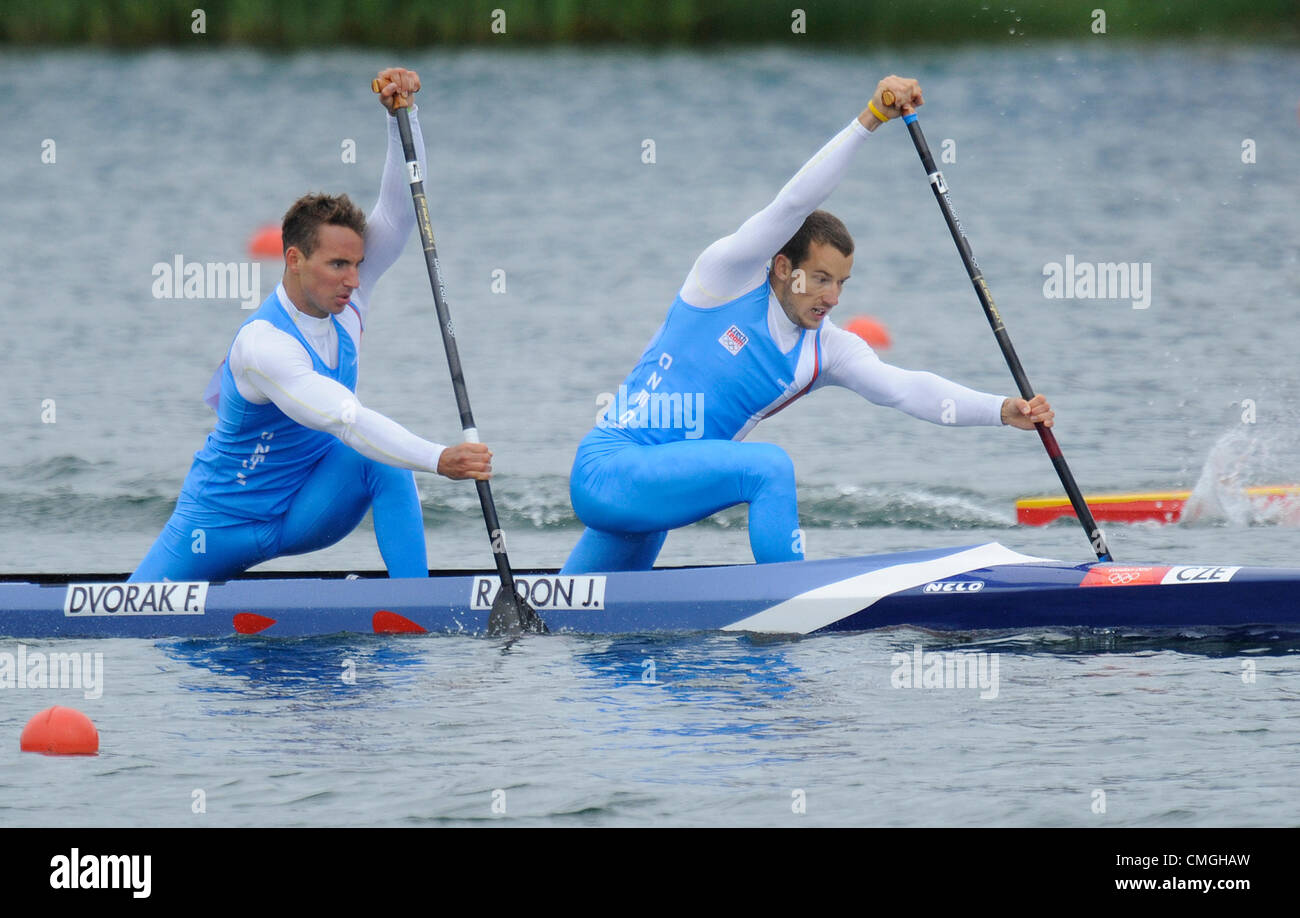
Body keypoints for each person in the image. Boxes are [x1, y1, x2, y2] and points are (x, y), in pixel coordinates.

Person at [561, 75, 1053, 574]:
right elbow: (792, 204)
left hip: (651, 504)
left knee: (585, 627)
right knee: (768, 467)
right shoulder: (724, 278)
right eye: (819, 279)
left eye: (841, 283)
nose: (832, 298)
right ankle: (789, 603)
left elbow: (905, 389)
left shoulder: (827, 350)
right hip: (610, 468)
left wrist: (1001, 409)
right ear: (782, 268)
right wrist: (871, 119)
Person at [131, 68, 491, 582]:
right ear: (295, 259)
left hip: (303, 513)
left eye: (357, 264)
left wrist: (401, 117)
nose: (353, 279)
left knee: (385, 464)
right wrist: (441, 459)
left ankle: (418, 606)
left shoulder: (352, 297)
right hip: (214, 529)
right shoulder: (264, 345)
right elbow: (345, 418)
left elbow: (401, 211)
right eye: (337, 265)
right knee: (131, 628)